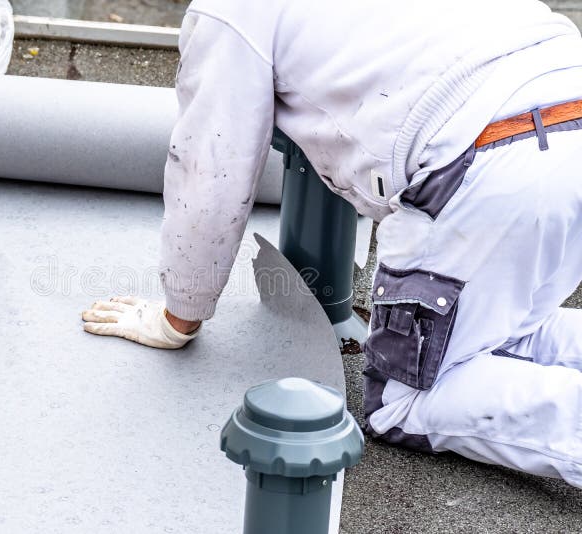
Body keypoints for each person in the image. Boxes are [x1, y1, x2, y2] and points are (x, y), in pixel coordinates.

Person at [82, 0, 582, 488]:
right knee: (510, 328)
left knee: (401, 404)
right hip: (564, 97)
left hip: (490, 161)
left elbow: (210, 171)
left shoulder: (232, 12)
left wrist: (179, 316)